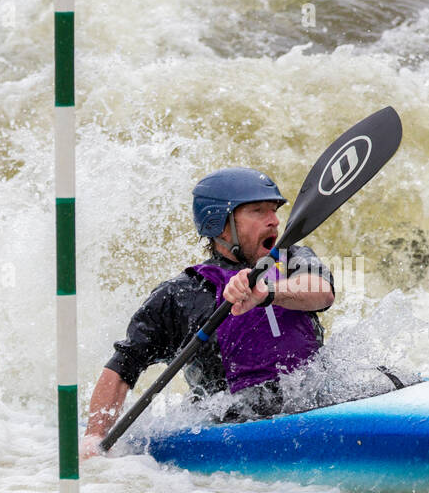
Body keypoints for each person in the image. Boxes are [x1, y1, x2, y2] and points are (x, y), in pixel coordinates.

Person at [81, 167, 335, 455]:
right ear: (220, 224)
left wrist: (268, 294)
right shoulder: (181, 295)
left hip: (313, 405)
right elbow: (124, 364)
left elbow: (321, 291)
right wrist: (94, 437)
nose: (274, 221)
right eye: (258, 210)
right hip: (233, 431)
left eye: (274, 210)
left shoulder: (292, 259)